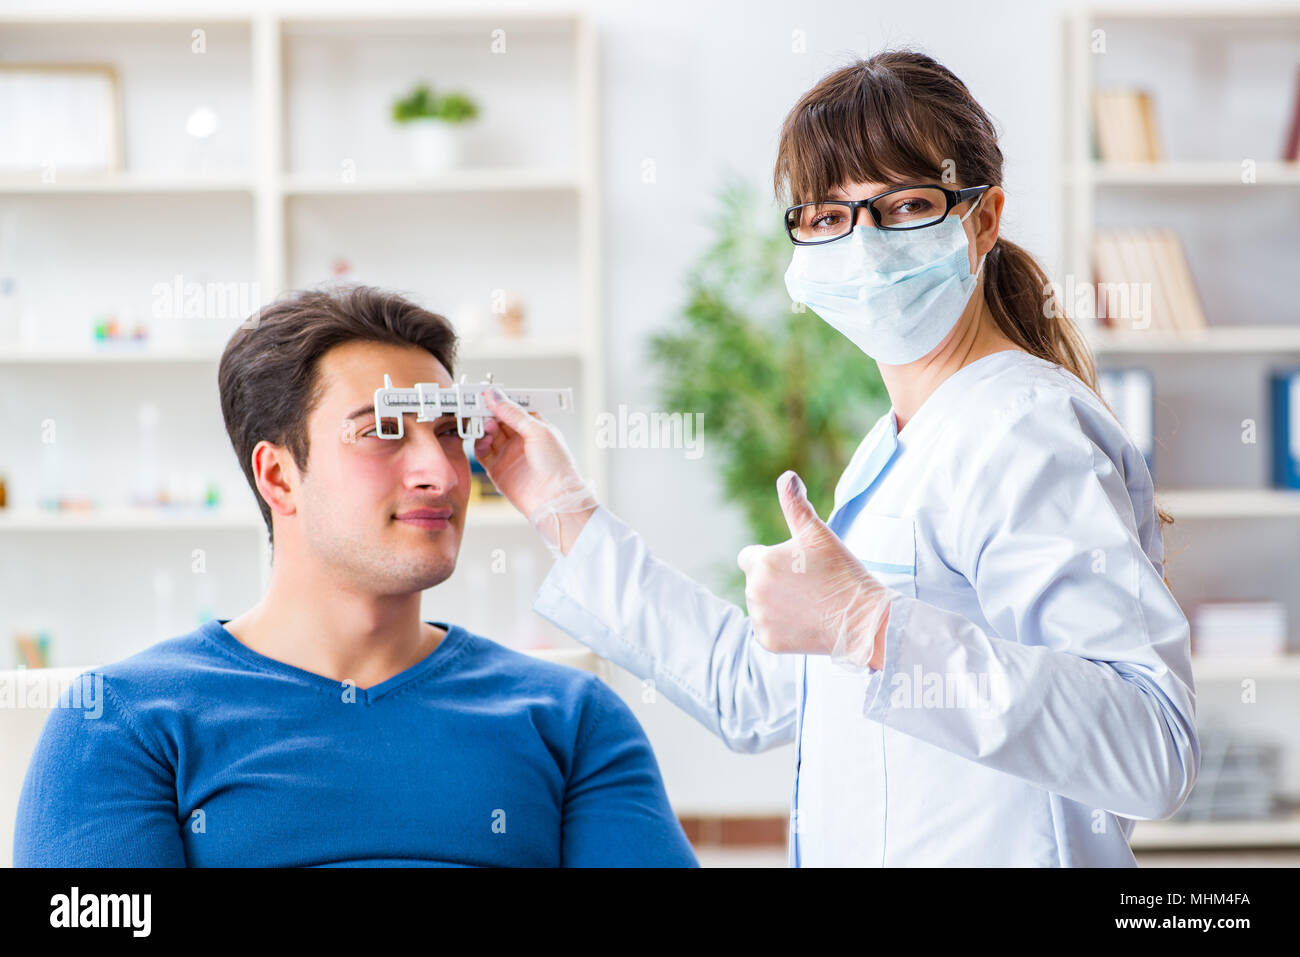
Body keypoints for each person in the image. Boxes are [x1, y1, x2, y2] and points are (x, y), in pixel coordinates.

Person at [472, 51, 1200, 867]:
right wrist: (560, 507)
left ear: (982, 219)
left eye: (905, 206)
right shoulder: (895, 443)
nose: (863, 246)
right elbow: (749, 692)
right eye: (826, 217)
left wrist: (876, 626)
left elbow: (1153, 747)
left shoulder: (1023, 430)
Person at [14, 285, 697, 868]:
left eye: (451, 431)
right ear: (279, 475)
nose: (439, 471)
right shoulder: (121, 720)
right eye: (384, 430)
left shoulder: (571, 718)